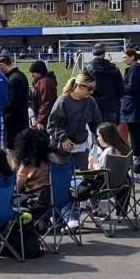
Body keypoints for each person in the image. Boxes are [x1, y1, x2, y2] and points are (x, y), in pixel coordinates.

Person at [47, 72, 102, 231]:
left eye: (93, 89)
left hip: (82, 144)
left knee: (88, 177)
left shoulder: (90, 102)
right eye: (89, 89)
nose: (91, 92)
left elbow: (96, 122)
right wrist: (63, 138)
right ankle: (61, 214)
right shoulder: (63, 101)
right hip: (62, 148)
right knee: (63, 180)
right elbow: (52, 124)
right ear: (80, 86)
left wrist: (100, 139)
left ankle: (93, 207)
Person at [0, 55, 29, 165]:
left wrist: (0, 111)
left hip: (14, 123)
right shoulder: (20, 76)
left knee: (13, 153)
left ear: (2, 65)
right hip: (20, 120)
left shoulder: (14, 79)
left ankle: (17, 174)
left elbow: (12, 102)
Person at [120, 49, 140, 158]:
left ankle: (138, 157)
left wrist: (121, 87)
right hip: (137, 106)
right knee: (139, 133)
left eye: (125, 57)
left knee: (134, 134)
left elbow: (131, 87)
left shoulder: (134, 69)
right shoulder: (138, 69)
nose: (124, 60)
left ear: (132, 57)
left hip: (132, 106)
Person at [83, 43, 124, 126]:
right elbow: (121, 88)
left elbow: (84, 89)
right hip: (111, 106)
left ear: (93, 53)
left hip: (94, 106)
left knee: (96, 132)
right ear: (104, 53)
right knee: (111, 131)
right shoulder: (114, 68)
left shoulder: (88, 69)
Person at [13, 127, 51, 207]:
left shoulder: (27, 165)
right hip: (51, 195)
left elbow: (16, 188)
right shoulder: (51, 159)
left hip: (35, 199)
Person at [29, 61, 57, 129]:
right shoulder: (41, 82)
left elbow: (46, 103)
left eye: (34, 72)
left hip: (45, 121)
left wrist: (40, 121)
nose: (31, 74)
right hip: (42, 118)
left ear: (40, 72)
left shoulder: (45, 83)